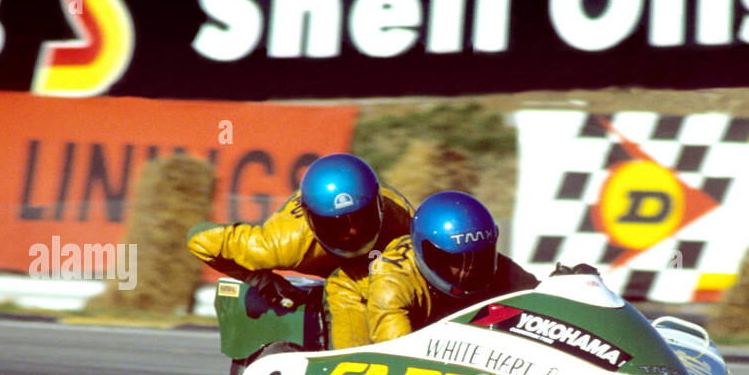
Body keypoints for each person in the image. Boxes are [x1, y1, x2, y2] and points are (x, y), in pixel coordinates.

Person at [187, 153, 413, 349]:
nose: (352, 231)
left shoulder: (403, 222)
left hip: (383, 260)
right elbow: (199, 238)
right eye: (336, 225)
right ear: (312, 222)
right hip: (331, 277)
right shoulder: (281, 242)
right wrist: (259, 279)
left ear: (379, 207)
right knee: (343, 295)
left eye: (361, 218)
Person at [365, 190, 537, 343]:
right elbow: (396, 358)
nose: (470, 268)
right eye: (456, 260)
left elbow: (540, 295)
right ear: (429, 254)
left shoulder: (500, 269)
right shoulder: (392, 287)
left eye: (480, 256)